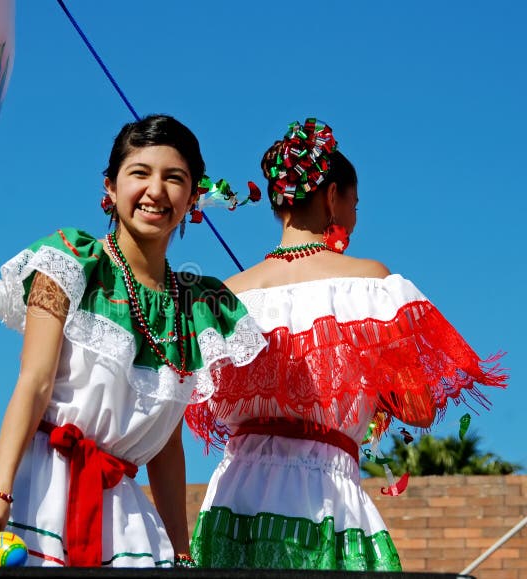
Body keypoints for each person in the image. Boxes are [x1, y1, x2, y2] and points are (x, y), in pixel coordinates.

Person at [0, 114, 266, 568]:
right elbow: (34, 381)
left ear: (193, 197)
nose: (156, 190)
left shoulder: (198, 306)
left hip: (124, 516)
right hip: (37, 491)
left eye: (175, 178)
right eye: (140, 173)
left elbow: (167, 445)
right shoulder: (71, 260)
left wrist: (181, 550)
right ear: (111, 188)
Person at [185, 118, 507, 571]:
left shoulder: (226, 294)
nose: (355, 213)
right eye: (355, 201)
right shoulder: (370, 285)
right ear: (332, 196)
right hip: (321, 494)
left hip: (233, 495)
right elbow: (417, 407)